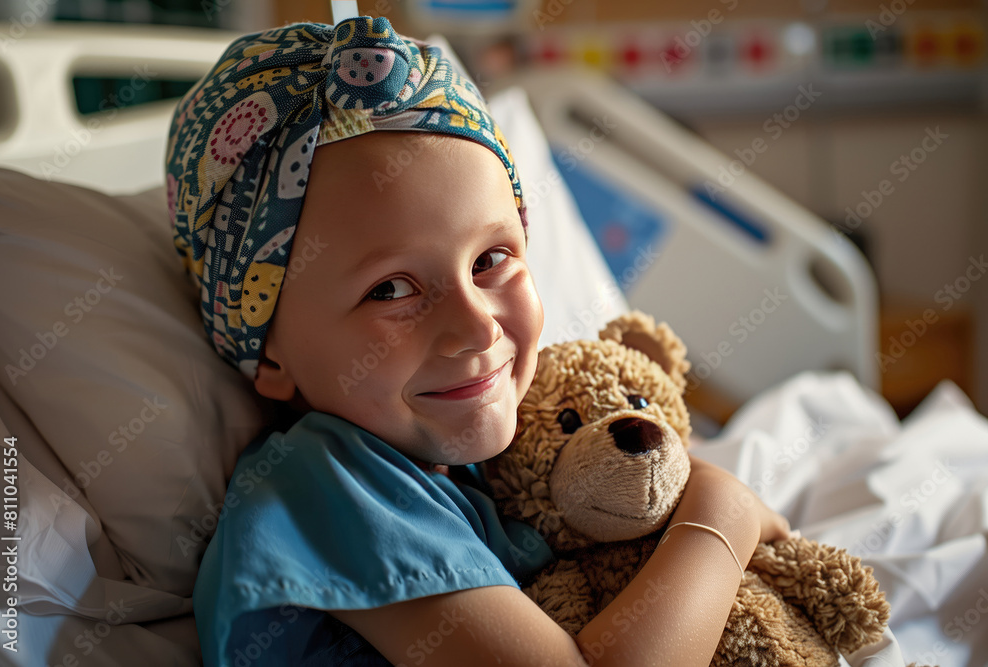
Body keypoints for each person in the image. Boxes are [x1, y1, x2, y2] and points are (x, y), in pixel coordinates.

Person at [166, 15, 791, 667]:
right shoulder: (322, 485)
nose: (476, 326)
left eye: (491, 258)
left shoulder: (473, 461)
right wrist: (720, 513)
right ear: (269, 350)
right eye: (391, 290)